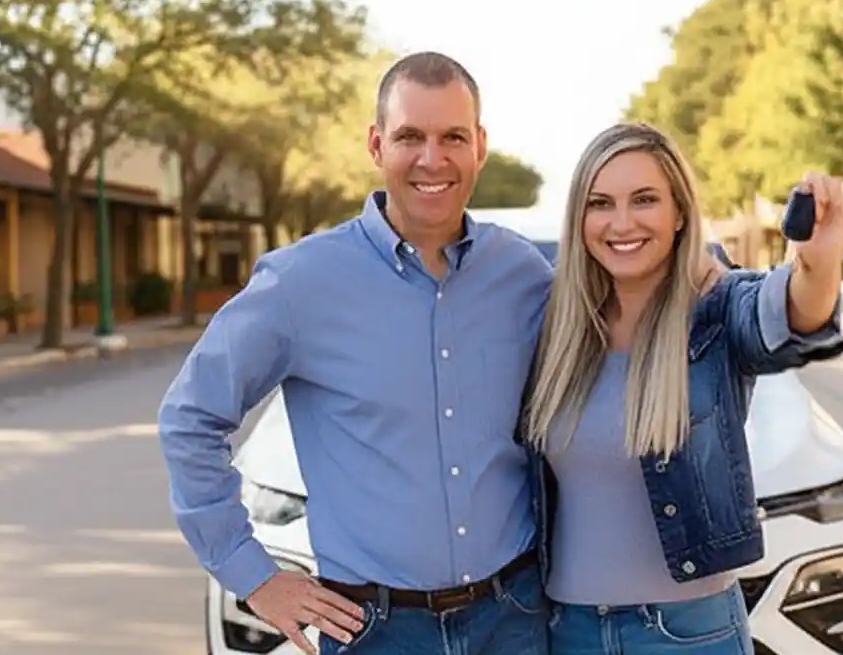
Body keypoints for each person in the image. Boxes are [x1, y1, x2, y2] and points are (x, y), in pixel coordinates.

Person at [157, 51, 553, 655]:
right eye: (409, 137)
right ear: (376, 145)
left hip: (515, 618)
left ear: (480, 146)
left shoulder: (522, 274)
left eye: (452, 137)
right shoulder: (300, 283)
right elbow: (189, 418)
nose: (432, 158)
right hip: (377, 631)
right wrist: (253, 576)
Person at [519, 123, 843, 655]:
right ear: (579, 219)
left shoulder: (716, 312)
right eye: (600, 203)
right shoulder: (553, 327)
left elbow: (792, 316)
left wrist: (818, 260)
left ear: (679, 213)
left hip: (687, 636)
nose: (621, 222)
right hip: (567, 634)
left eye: (645, 200)